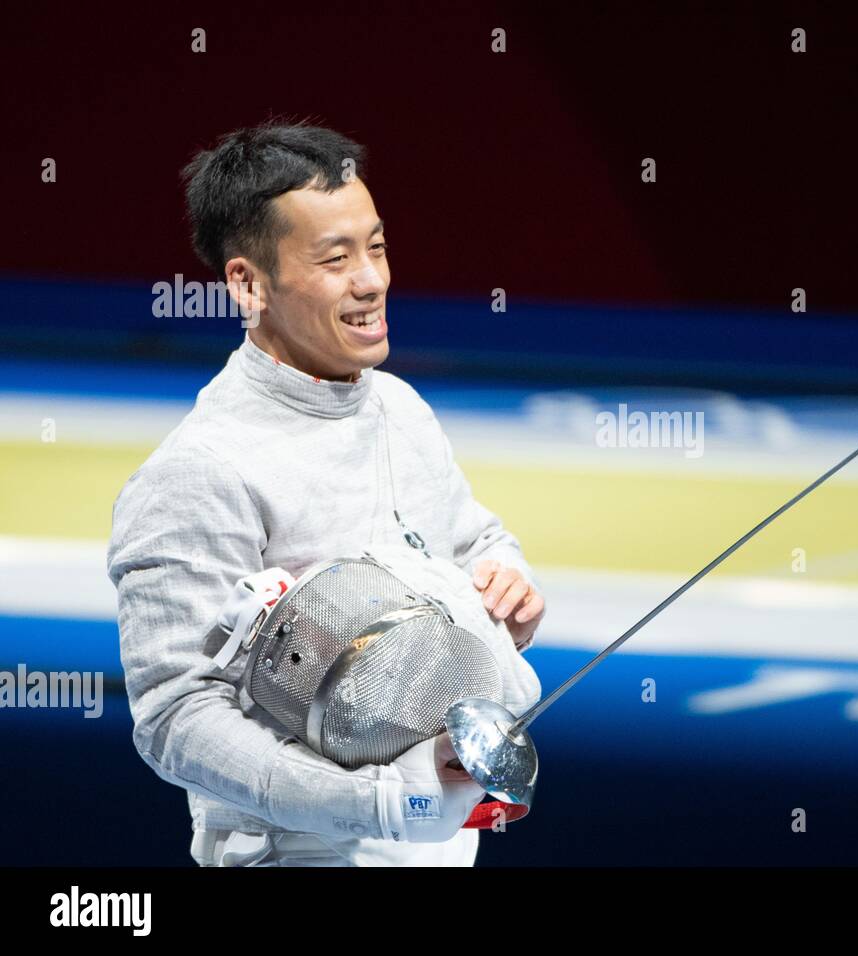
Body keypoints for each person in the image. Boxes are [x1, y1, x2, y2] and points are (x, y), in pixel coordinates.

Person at [106, 122, 545, 866]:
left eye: (374, 247)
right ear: (248, 282)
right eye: (335, 259)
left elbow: (473, 542)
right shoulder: (201, 470)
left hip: (436, 848)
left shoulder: (398, 408)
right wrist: (374, 804)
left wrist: (509, 584)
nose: (371, 280)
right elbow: (176, 719)